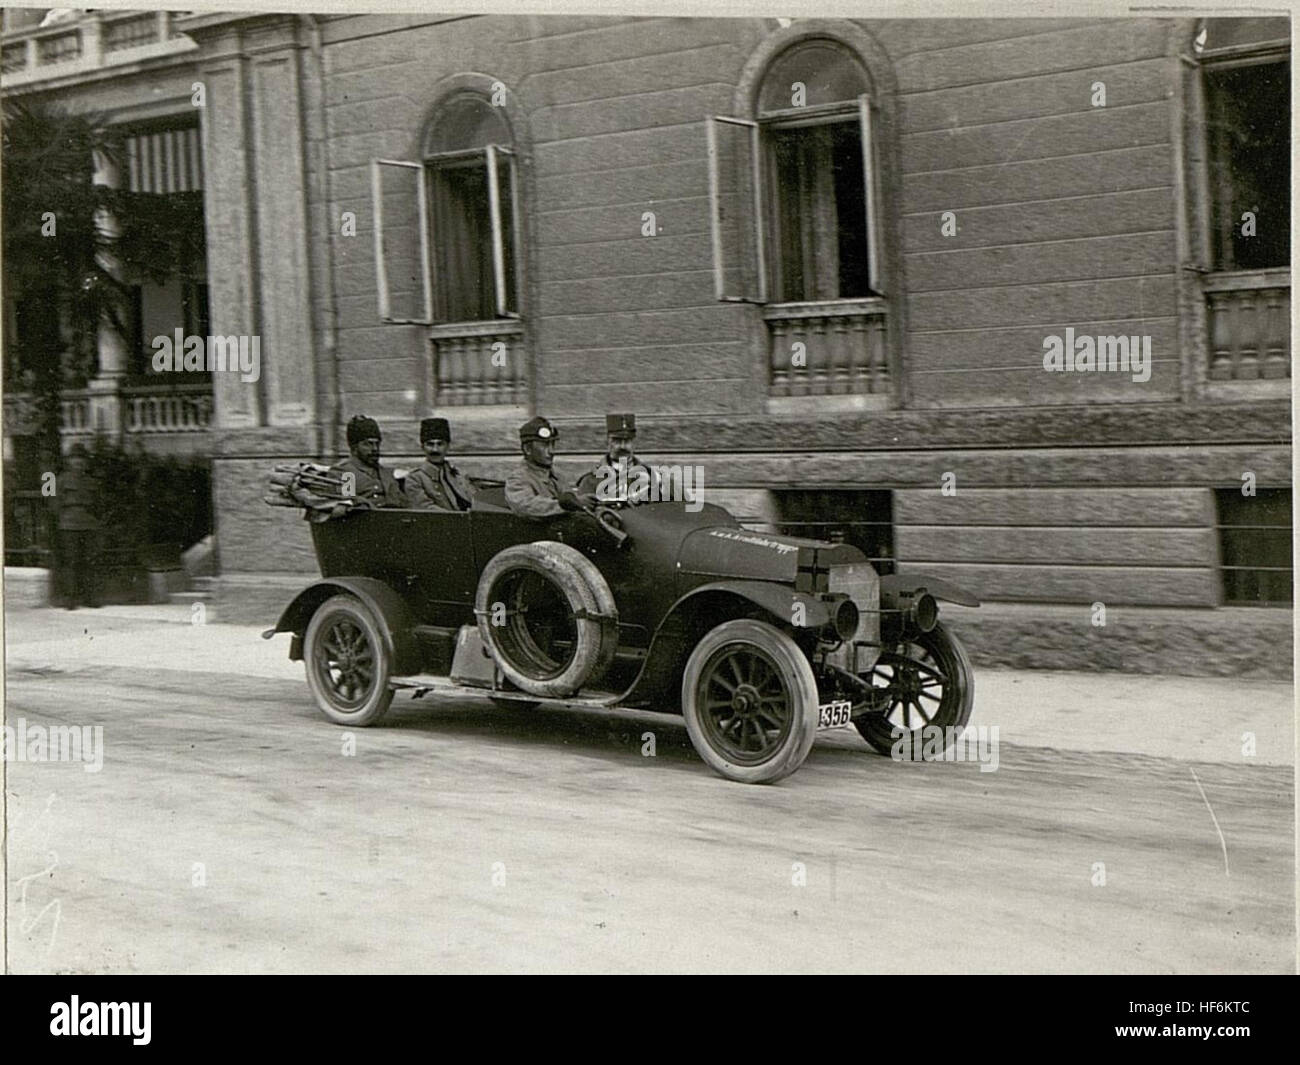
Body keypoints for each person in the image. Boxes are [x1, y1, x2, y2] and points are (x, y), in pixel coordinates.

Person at [504, 416, 595, 517]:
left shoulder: (557, 476)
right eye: (545, 445)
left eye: (553, 444)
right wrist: (568, 505)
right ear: (527, 449)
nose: (552, 451)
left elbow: (569, 498)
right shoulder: (518, 480)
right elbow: (527, 505)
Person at [53, 445, 100, 609]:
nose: (78, 462)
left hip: (89, 523)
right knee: (71, 561)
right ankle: (70, 597)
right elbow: (52, 501)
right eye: (75, 459)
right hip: (68, 524)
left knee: (89, 561)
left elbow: (98, 503)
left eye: (82, 459)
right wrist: (61, 518)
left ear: (86, 462)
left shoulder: (92, 481)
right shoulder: (58, 479)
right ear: (69, 461)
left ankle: (90, 597)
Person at [332, 415, 407, 508]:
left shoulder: (387, 474)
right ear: (354, 447)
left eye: (377, 444)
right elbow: (348, 506)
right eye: (368, 444)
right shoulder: (345, 473)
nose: (375, 449)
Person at [576, 412, 653, 505]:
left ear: (634, 444)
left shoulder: (652, 478)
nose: (623, 446)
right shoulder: (591, 481)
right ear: (607, 442)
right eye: (617, 441)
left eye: (627, 441)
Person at [406, 417, 475, 512]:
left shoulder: (458, 476)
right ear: (422, 447)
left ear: (448, 446)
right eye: (430, 444)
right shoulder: (415, 479)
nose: (435, 450)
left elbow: (473, 500)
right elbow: (425, 509)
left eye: (440, 444)